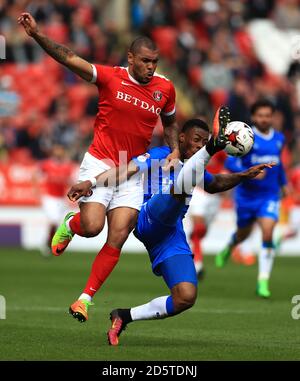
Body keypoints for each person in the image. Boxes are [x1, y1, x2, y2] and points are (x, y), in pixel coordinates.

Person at [18, 13, 181, 320]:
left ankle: (84, 299)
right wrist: (37, 35)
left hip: (132, 170)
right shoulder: (110, 76)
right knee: (92, 228)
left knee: (118, 234)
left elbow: (170, 122)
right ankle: (71, 224)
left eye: (155, 62)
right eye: (145, 61)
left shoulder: (165, 88)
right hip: (99, 162)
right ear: (130, 58)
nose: (151, 67)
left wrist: (173, 150)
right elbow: (69, 58)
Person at [68, 107, 273, 346]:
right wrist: (90, 182)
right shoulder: (160, 155)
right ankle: (215, 147)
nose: (197, 145)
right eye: (197, 141)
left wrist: (243, 176)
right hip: (148, 217)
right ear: (182, 138)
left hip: (171, 234)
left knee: (186, 296)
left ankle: (123, 316)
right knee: (177, 189)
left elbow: (215, 183)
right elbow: (126, 170)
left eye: (204, 143)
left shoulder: (194, 167)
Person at [215, 100, 288, 298]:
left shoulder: (279, 139)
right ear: (254, 117)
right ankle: (230, 246)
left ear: (272, 117)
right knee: (243, 234)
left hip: (269, 195)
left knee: (267, 232)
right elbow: (231, 163)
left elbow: (279, 165)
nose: (264, 118)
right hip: (246, 197)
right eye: (260, 115)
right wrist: (248, 172)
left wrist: (284, 183)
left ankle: (262, 281)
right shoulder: (245, 136)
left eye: (268, 115)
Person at [187, 150, 226, 278]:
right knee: (199, 228)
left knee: (201, 232)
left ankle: (192, 245)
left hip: (215, 195)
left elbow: (229, 163)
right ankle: (197, 264)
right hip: (199, 190)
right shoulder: (199, 140)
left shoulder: (225, 144)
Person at [38, 144, 76, 256]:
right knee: (54, 221)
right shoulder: (46, 165)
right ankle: (48, 244)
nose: (58, 153)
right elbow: (35, 177)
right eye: (57, 150)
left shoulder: (67, 167)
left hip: (61, 199)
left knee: (58, 223)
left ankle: (49, 243)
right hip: (50, 198)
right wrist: (37, 193)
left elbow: (71, 182)